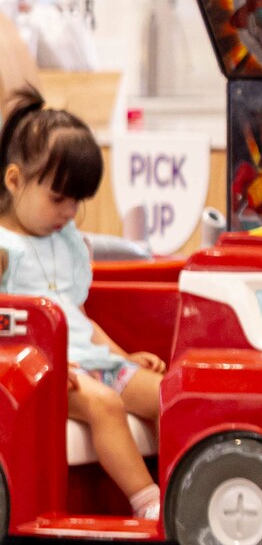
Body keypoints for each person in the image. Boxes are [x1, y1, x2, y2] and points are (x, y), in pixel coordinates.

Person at [0, 94, 159, 517]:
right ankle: (149, 503)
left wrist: (123, 357)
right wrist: (48, 367)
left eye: (77, 201)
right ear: (14, 181)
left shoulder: (67, 240)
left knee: (167, 394)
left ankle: (183, 488)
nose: (69, 212)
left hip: (89, 360)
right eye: (58, 199)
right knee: (104, 404)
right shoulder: (4, 248)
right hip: (39, 374)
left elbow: (77, 315)